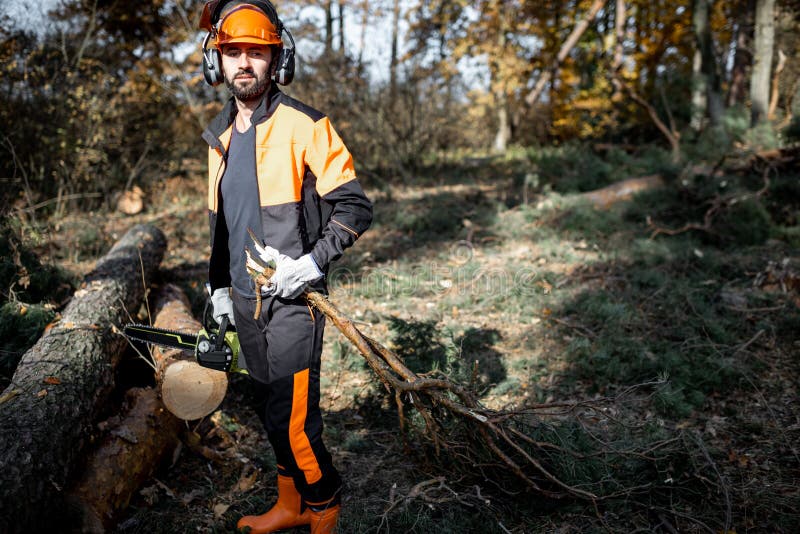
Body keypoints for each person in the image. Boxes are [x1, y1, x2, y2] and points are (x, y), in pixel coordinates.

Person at [198, 1, 373, 532]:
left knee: (294, 421)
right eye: (233, 53)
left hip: (294, 303)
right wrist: (218, 290)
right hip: (246, 302)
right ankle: (290, 505)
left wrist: (310, 264)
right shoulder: (219, 138)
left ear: (278, 60)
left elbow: (355, 207)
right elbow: (221, 225)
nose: (244, 63)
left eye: (257, 52)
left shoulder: (306, 125)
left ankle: (326, 505)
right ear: (217, 63)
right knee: (269, 410)